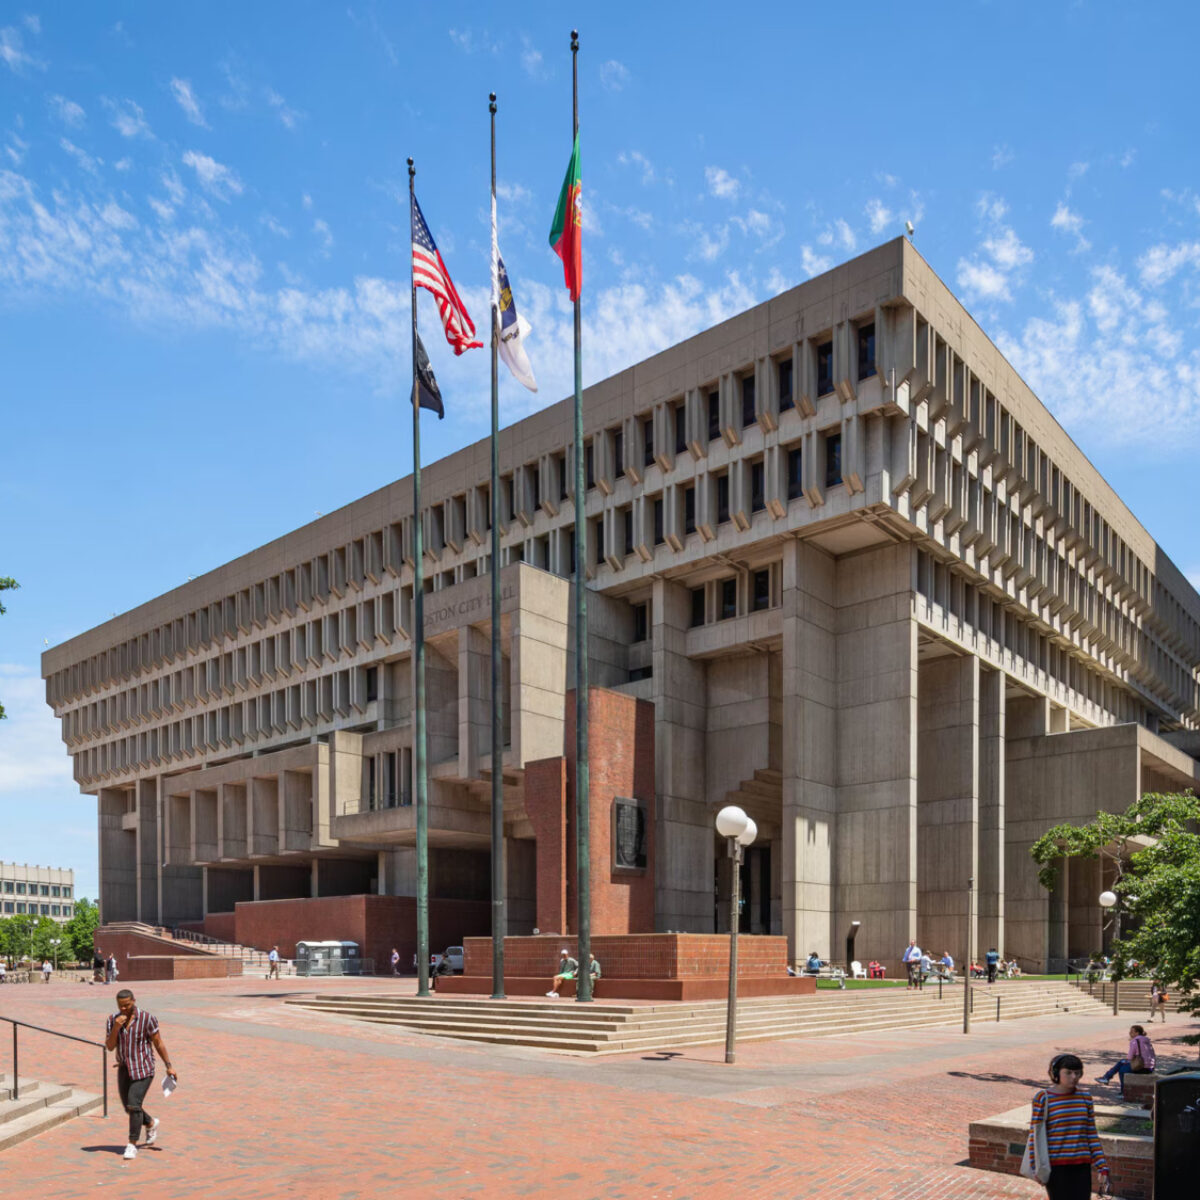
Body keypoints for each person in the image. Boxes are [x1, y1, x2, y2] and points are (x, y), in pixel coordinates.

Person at [105, 988, 178, 1161]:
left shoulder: (147, 1019)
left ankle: (132, 1144)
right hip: (124, 1068)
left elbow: (158, 1042)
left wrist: (169, 1066)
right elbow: (109, 1046)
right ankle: (150, 1123)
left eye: (127, 1005)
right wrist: (116, 1026)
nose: (124, 1009)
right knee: (128, 1107)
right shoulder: (112, 1020)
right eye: (120, 1006)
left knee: (134, 1104)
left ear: (134, 1001)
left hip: (144, 1068)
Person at [1028, 1053, 1108, 1199]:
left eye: (1077, 1073)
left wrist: (1102, 1165)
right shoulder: (1043, 1098)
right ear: (1056, 1073)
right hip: (1056, 1167)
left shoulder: (1085, 1098)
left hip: (1081, 1166)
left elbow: (1091, 1134)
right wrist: (1035, 1167)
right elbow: (1036, 1135)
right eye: (1068, 1072)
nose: (1074, 1077)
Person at [1095, 1024, 1155, 1097]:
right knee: (1122, 1062)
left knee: (1122, 1070)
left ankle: (1120, 1090)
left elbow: (1129, 1057)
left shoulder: (1135, 1041)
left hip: (1141, 1066)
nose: (1130, 1033)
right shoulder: (1146, 1040)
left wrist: (1126, 1061)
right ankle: (1106, 1078)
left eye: (1132, 1031)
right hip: (1150, 1067)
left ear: (1137, 1033)